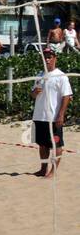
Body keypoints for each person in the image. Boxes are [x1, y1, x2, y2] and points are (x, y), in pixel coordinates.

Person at [31, 48, 72, 178]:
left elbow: (67, 96)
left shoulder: (61, 76)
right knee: (42, 145)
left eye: (49, 57)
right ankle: (43, 169)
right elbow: (32, 94)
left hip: (54, 118)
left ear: (55, 58)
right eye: (45, 57)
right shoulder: (39, 74)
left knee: (57, 145)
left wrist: (61, 115)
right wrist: (34, 93)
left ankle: (53, 172)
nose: (47, 59)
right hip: (39, 116)